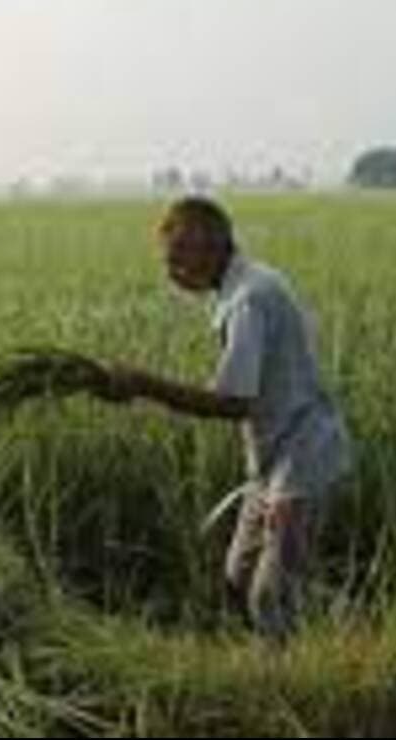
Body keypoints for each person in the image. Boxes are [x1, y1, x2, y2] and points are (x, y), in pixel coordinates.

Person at [95, 196, 350, 640]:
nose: (170, 272)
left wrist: (143, 385)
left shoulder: (247, 300)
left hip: (302, 460)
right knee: (236, 582)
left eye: (176, 258)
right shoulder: (248, 284)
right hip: (275, 460)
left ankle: (288, 690)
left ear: (208, 248)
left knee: (271, 597)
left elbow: (232, 403)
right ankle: (312, 645)